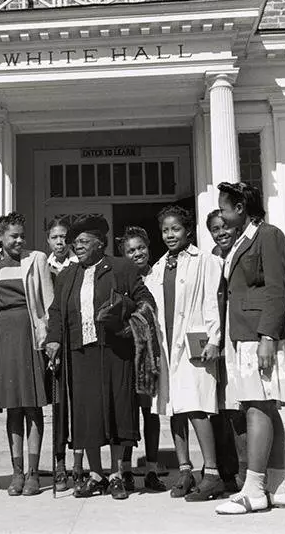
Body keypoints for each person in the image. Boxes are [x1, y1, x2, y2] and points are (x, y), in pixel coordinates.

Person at [45, 216, 158, 501]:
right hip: (80, 352)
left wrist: (125, 316)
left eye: (83, 242)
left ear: (99, 243)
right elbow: (57, 311)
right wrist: (54, 339)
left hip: (115, 350)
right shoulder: (69, 274)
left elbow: (147, 302)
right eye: (75, 243)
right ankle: (95, 474)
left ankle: (118, 474)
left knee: (118, 408)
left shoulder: (122, 268)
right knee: (87, 414)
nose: (77, 247)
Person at [213, 182, 285, 515]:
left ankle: (253, 489)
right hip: (243, 334)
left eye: (223, 208)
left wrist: (267, 337)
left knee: (256, 408)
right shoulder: (239, 241)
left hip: (258, 334)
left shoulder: (269, 235)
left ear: (240, 207)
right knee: (265, 407)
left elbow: (277, 290)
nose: (220, 214)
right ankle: (278, 486)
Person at [148, 206, 225, 502]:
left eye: (176, 229)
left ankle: (212, 473)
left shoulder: (205, 261)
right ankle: (184, 470)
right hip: (166, 346)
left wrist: (213, 338)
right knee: (173, 409)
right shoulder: (158, 267)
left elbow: (211, 302)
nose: (170, 235)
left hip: (194, 342)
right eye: (165, 230)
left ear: (188, 231)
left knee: (195, 406)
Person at [0, 212, 54, 497]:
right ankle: (17, 472)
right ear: (0, 236)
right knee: (13, 407)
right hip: (3, 337)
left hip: (30, 335)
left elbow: (48, 301)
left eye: (22, 235)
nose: (19, 240)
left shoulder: (36, 259)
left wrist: (50, 341)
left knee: (32, 406)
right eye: (14, 236)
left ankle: (35, 473)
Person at [116, 226, 166, 493]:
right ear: (124, 254)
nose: (137, 253)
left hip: (153, 351)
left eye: (141, 248)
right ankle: (124, 469)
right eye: (131, 250)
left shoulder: (158, 273)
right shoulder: (120, 278)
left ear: (148, 247)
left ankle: (151, 469)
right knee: (127, 411)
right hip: (129, 351)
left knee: (151, 412)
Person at [206, 210, 248, 492]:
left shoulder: (242, 254)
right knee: (217, 409)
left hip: (239, 335)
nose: (220, 233)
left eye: (224, 227)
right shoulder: (210, 259)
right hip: (216, 339)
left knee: (239, 408)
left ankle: (246, 470)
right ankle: (225, 471)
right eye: (214, 229)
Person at [45, 218, 84, 492]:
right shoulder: (42, 266)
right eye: (54, 237)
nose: (59, 242)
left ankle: (79, 464)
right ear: (48, 240)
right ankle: (60, 464)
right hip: (54, 342)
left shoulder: (79, 265)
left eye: (63, 237)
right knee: (59, 405)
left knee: (80, 404)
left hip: (78, 340)